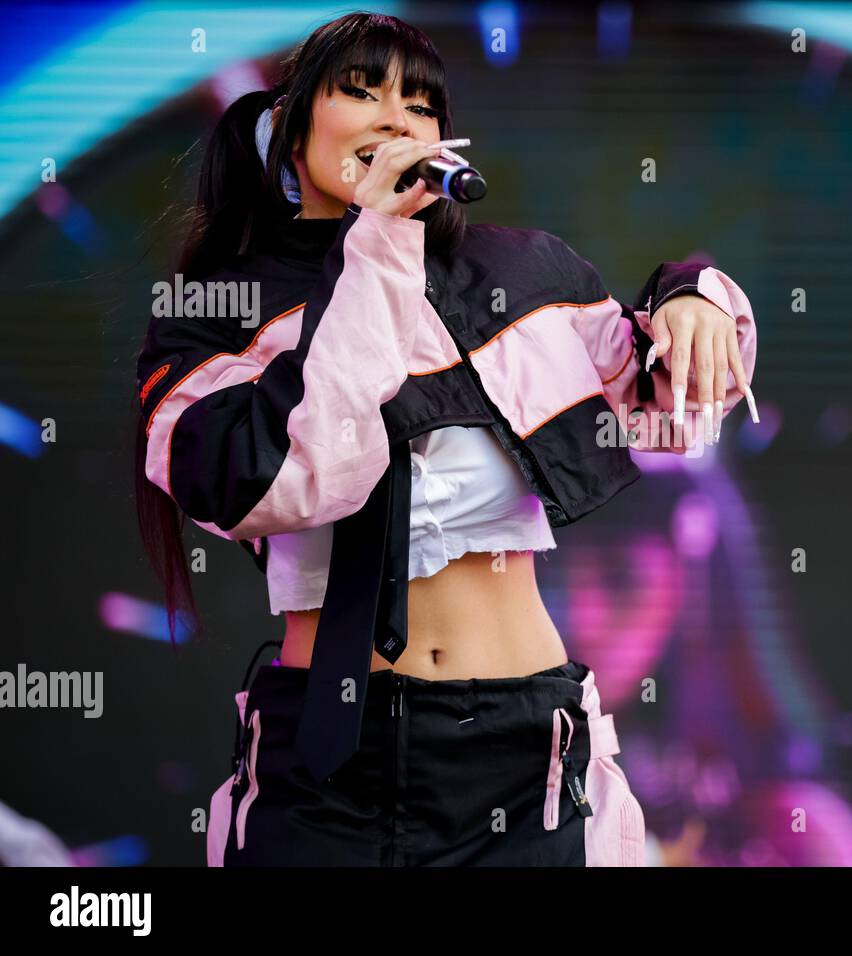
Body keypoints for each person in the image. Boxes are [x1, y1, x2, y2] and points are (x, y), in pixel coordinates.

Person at [132, 12, 758, 866]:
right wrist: (375, 251)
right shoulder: (221, 317)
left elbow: (674, 410)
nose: (397, 120)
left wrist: (693, 300)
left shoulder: (522, 277)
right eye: (361, 92)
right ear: (288, 127)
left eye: (420, 105)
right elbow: (287, 482)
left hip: (520, 756)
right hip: (329, 770)